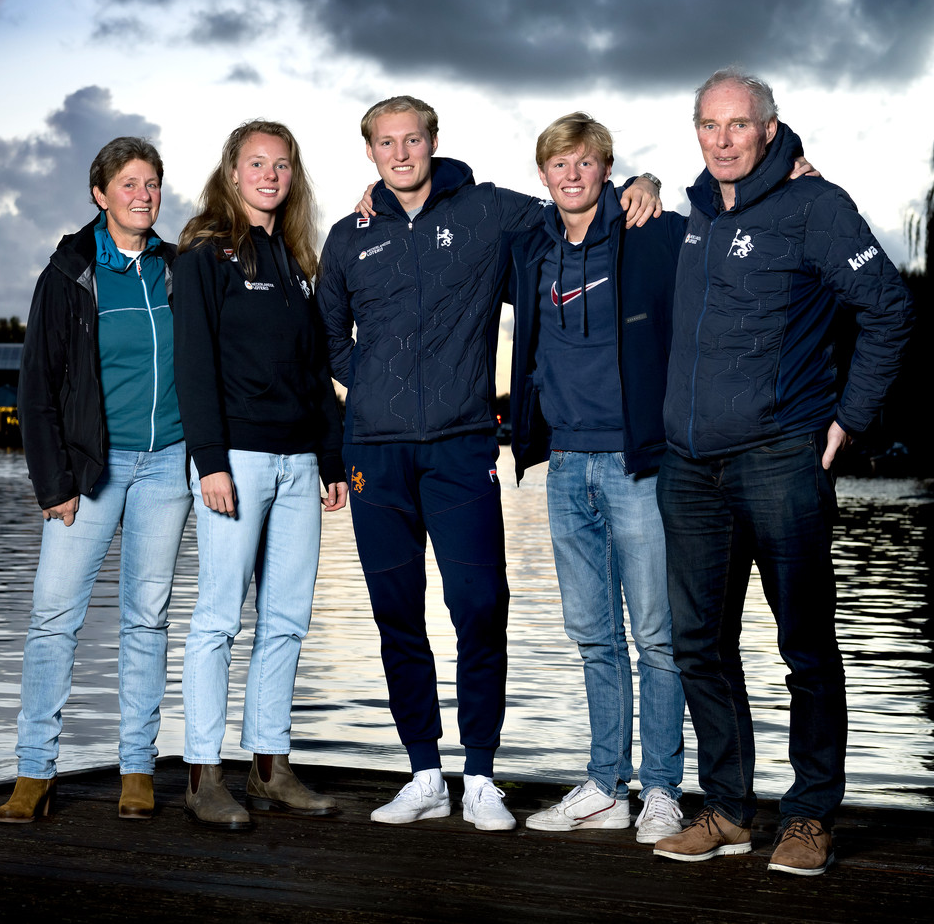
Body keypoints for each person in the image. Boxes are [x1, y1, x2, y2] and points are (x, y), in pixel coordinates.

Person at [317, 95, 660, 832]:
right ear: (370, 152)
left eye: (413, 140)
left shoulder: (488, 212)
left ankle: (478, 774)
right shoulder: (349, 238)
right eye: (387, 143)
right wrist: (371, 384)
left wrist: (644, 182)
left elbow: (577, 207)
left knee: (479, 607)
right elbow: (328, 336)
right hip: (375, 453)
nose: (401, 153)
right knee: (394, 615)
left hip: (463, 443)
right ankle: (422, 773)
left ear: (434, 142)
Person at [653, 68, 914, 875]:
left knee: (804, 643)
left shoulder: (815, 206)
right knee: (700, 643)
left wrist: (849, 420)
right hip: (689, 467)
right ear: (696, 129)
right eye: (709, 124)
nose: (723, 139)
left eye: (739, 125)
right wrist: (637, 184)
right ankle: (728, 808)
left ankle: (808, 818)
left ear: (770, 129)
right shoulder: (695, 211)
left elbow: (889, 307)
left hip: (779, 457)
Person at [503, 113, 687, 843]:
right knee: (592, 634)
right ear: (543, 174)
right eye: (557, 164)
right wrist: (372, 191)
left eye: (584, 163)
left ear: (606, 169)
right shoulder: (533, 244)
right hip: (565, 461)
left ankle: (664, 789)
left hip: (635, 461)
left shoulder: (648, 233)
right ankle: (606, 786)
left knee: (656, 635)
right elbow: (455, 187)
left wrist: (654, 184)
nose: (571, 175)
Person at [0, 137, 191, 823]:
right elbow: (37, 389)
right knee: (54, 617)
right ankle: (33, 771)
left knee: (147, 618)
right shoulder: (69, 274)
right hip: (90, 471)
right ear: (100, 194)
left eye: (153, 184)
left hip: (169, 464)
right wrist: (54, 485)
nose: (143, 195)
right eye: (130, 183)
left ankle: (137, 767)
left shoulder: (176, 271)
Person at [173, 119, 347, 831]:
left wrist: (332, 461)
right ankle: (203, 775)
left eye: (281, 164)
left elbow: (315, 374)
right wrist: (210, 462)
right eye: (256, 163)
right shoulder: (204, 255)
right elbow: (194, 366)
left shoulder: (298, 261)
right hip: (235, 461)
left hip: (300, 463)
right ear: (232, 171)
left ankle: (270, 767)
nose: (270, 175)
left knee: (286, 621)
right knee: (218, 618)